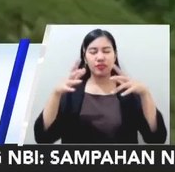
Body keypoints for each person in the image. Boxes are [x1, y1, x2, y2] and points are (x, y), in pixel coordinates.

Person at [34, 28, 167, 144]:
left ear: (115, 55)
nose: (100, 57)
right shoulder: (71, 93)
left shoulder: (128, 93)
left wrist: (145, 94)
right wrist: (56, 94)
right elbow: (43, 138)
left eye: (106, 51)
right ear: (85, 57)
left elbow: (156, 139)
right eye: (93, 52)